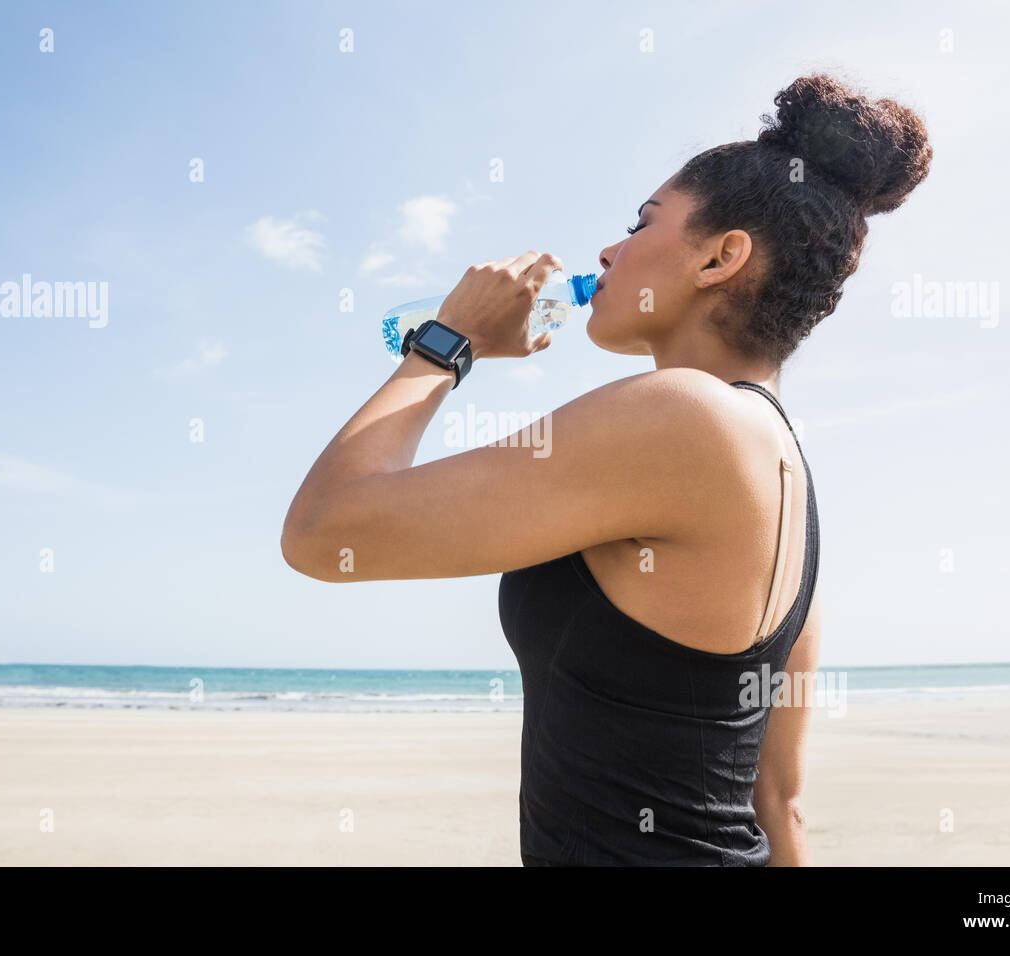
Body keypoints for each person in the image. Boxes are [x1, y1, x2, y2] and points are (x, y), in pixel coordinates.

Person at [282, 73, 933, 865]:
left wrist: (448, 342)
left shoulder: (684, 416)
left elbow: (323, 533)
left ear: (721, 258)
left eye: (641, 223)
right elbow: (778, 802)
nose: (608, 250)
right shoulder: (786, 475)